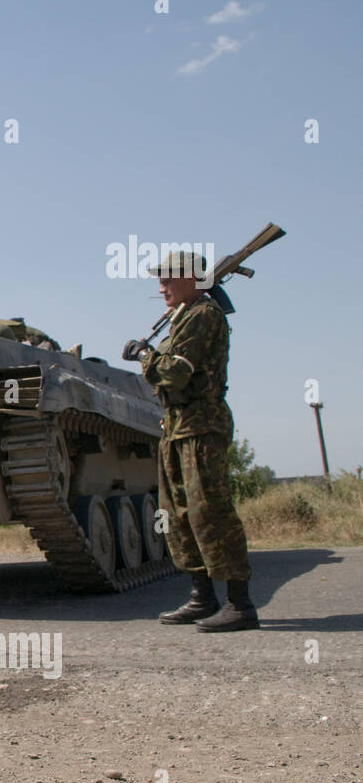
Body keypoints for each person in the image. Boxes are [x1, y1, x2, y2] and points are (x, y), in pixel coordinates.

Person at [123, 252, 257, 631]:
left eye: (169, 278)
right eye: (160, 278)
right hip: (178, 425)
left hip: (202, 424)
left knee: (210, 510)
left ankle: (240, 603)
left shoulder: (202, 315)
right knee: (179, 513)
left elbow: (175, 373)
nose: (161, 285)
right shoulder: (182, 316)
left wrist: (145, 355)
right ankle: (202, 596)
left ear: (195, 279)